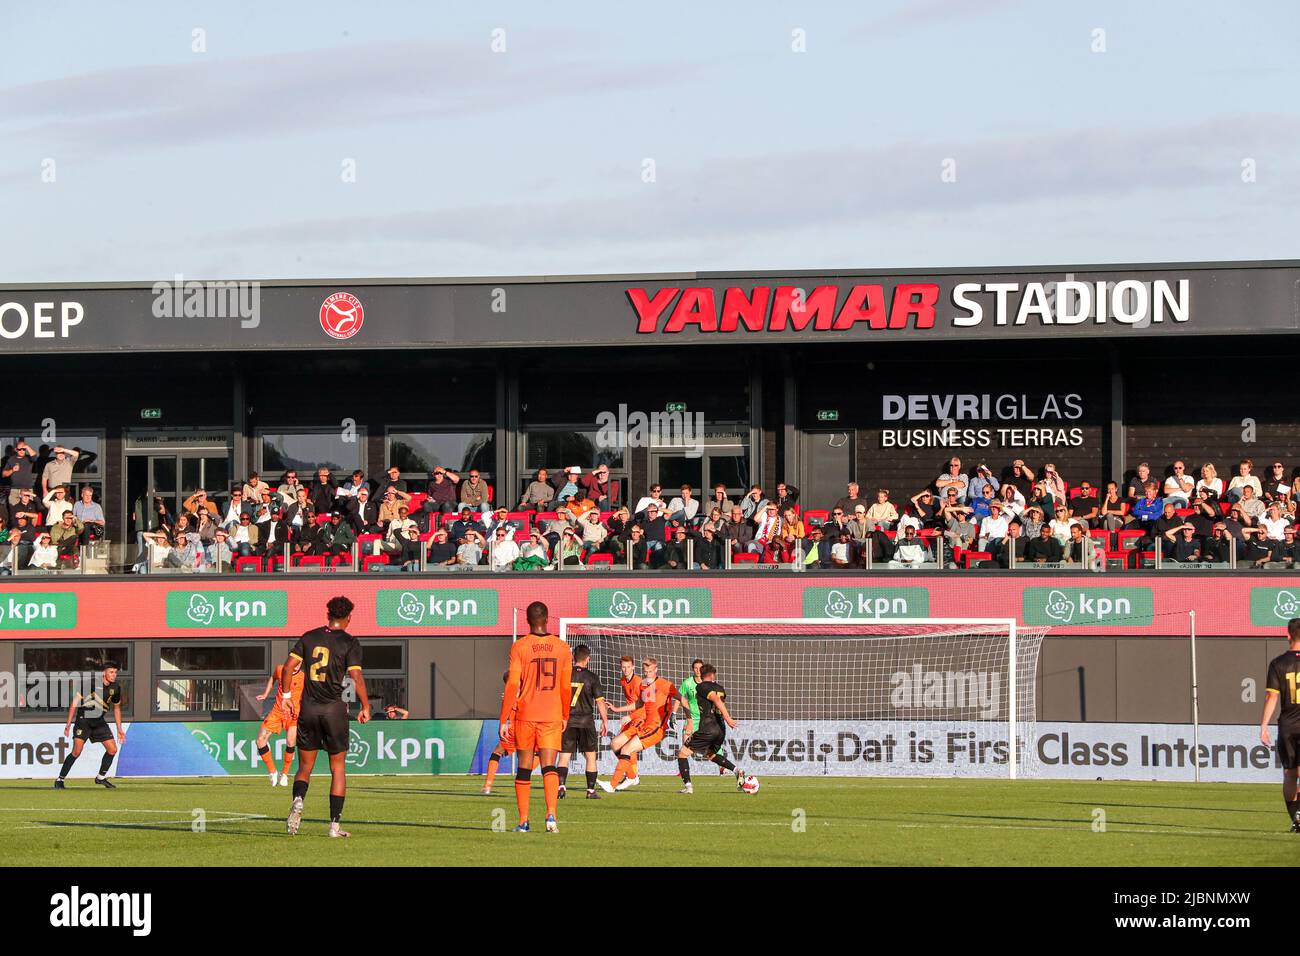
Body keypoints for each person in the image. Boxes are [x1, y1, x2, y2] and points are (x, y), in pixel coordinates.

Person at [284, 596, 369, 839]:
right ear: (348, 617)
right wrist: (365, 705)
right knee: (338, 768)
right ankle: (334, 826)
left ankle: (299, 800)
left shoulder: (309, 637)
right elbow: (356, 677)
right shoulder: (350, 643)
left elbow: (289, 667)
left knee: (305, 766)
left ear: (328, 615)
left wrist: (287, 695)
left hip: (308, 708)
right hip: (334, 710)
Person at [499, 601, 572, 833]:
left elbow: (512, 684)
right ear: (548, 619)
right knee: (549, 765)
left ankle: (523, 821)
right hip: (551, 714)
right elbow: (565, 687)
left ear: (527, 620)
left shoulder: (520, 647)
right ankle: (551, 816)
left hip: (526, 715)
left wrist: (503, 719)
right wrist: (565, 714)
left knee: (524, 767)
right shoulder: (562, 647)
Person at [599, 657, 679, 794]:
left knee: (626, 749)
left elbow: (680, 698)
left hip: (647, 723)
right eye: (646, 671)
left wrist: (686, 717)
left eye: (628, 667)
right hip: (640, 721)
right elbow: (642, 704)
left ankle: (614, 784)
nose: (647, 673)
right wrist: (618, 709)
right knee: (615, 744)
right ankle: (631, 776)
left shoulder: (660, 684)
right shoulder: (642, 684)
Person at [54, 662, 125, 789]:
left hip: (99, 722)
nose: (114, 675)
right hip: (84, 721)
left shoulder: (116, 688)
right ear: (104, 672)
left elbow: (117, 709)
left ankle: (100, 778)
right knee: (76, 752)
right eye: (111, 672)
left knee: (112, 749)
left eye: (115, 672)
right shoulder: (91, 683)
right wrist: (68, 724)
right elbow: (74, 703)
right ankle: (60, 779)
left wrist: (119, 729)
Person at [1259, 618, 1300, 832]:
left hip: (1288, 726)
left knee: (1290, 774)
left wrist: (1263, 726)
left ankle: (1296, 817)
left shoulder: (1278, 663)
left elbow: (1271, 698)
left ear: (1288, 635)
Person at [676, 663, 743, 793]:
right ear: (713, 675)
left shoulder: (701, 686)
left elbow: (715, 699)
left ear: (702, 675)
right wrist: (725, 720)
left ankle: (688, 787)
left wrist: (728, 718)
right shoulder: (720, 687)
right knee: (711, 754)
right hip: (720, 729)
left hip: (708, 728)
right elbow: (720, 703)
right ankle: (736, 771)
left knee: (682, 754)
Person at [556, 644, 608, 800]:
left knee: (564, 756)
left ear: (573, 658)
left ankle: (560, 788)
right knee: (591, 756)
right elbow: (600, 702)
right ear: (588, 659)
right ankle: (590, 791)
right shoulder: (592, 677)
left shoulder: (564, 675)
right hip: (586, 722)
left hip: (567, 721)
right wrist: (605, 720)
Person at [254, 661, 304, 787]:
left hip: (293, 715)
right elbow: (273, 678)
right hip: (277, 712)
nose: (297, 664)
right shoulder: (280, 669)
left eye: (300, 662)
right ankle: (273, 772)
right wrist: (265, 694)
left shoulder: (304, 677)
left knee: (291, 742)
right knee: (260, 741)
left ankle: (285, 774)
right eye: (296, 661)